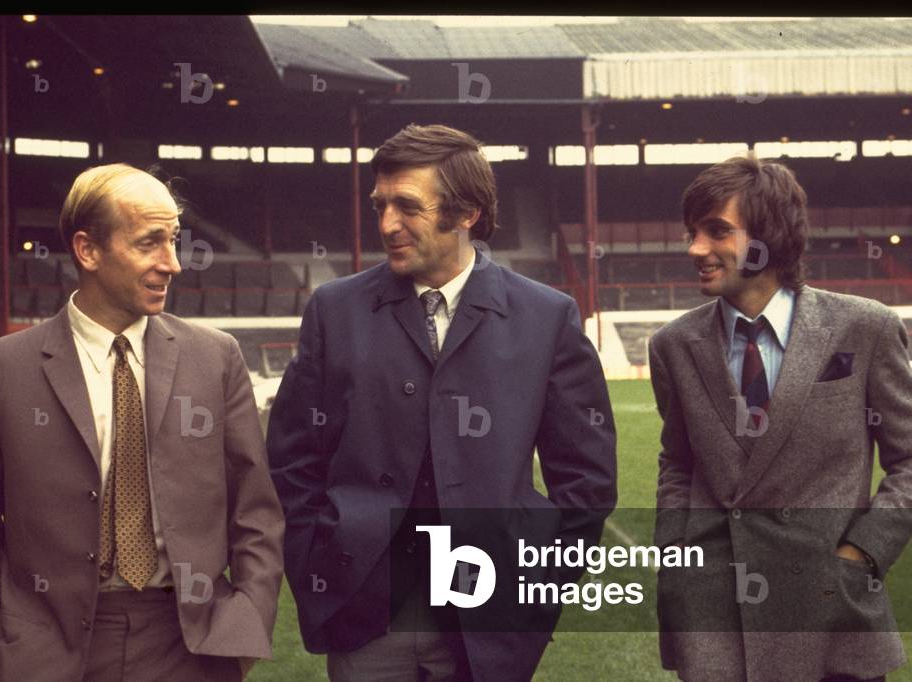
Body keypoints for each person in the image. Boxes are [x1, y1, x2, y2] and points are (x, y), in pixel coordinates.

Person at [267, 124, 617, 681]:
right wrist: (321, 557)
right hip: (366, 617)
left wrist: (538, 588)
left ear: (467, 212)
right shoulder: (335, 310)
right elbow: (291, 459)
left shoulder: (546, 318)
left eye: (407, 206)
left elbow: (586, 482)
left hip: (493, 617)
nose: (386, 225)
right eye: (380, 205)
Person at [0, 164, 284, 681]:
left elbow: (256, 512)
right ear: (88, 250)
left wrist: (245, 626)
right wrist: (1, 647)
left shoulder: (216, 357)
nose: (174, 264)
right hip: (50, 651)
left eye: (174, 240)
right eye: (150, 243)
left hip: (192, 647)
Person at [650, 155, 912, 681]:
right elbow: (677, 463)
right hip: (715, 615)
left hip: (831, 608)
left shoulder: (866, 328)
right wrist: (675, 554)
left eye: (716, 231)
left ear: (769, 236)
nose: (695, 248)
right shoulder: (673, 345)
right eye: (692, 232)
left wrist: (861, 553)